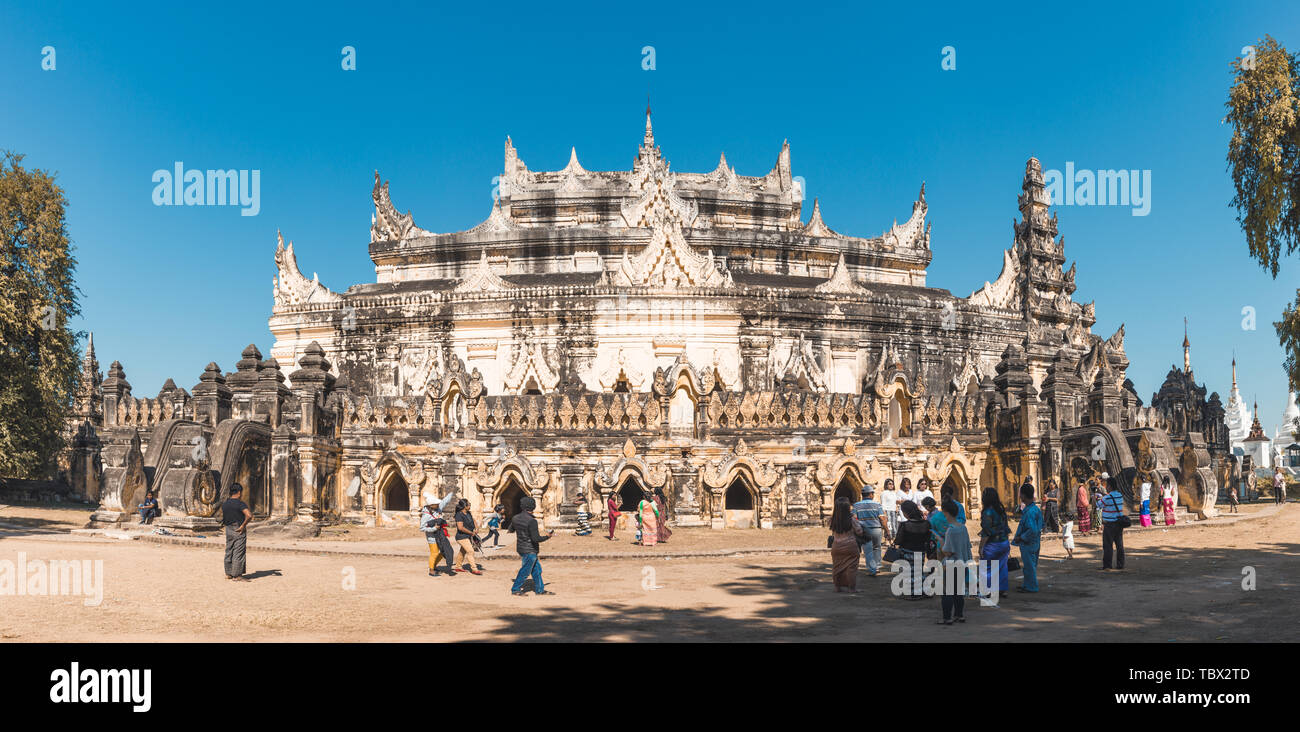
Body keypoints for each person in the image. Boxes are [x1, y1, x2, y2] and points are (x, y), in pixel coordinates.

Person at [510, 495, 554, 596]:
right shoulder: (532, 521)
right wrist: (547, 536)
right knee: (525, 571)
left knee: (537, 570)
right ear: (533, 507)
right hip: (530, 549)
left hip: (521, 547)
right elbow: (536, 539)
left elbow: (511, 530)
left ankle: (540, 590)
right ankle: (515, 589)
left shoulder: (515, 518)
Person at [937, 499, 972, 625]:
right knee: (958, 591)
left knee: (947, 592)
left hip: (951, 564)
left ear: (946, 513)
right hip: (962, 563)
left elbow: (947, 551)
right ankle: (959, 615)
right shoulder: (963, 528)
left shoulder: (950, 530)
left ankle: (947, 617)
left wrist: (939, 539)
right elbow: (967, 547)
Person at [977, 487, 1011, 600]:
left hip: (992, 544)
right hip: (1004, 542)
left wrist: (981, 547)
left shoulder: (987, 512)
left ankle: (986, 590)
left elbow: (986, 532)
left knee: (986, 567)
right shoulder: (1001, 510)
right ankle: (1002, 589)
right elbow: (1006, 527)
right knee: (1002, 566)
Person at [893, 500, 930, 599]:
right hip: (921, 551)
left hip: (907, 551)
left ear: (906, 512)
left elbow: (898, 540)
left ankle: (914, 593)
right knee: (919, 571)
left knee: (909, 573)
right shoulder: (926, 523)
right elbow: (928, 538)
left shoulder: (905, 525)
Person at [851, 485, 889, 575]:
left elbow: (853, 518)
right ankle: (877, 566)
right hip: (876, 529)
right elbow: (882, 519)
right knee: (877, 548)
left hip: (864, 531)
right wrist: (887, 530)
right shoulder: (877, 505)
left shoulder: (856, 506)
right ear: (871, 494)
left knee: (868, 550)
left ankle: (872, 569)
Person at [1010, 483, 1042, 593]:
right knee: (1030, 565)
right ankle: (1027, 584)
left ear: (1023, 495)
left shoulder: (1030, 512)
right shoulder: (1034, 509)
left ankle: (1031, 586)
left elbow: (1032, 529)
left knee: (1029, 566)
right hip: (1034, 541)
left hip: (1028, 543)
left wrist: (1021, 538)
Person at [828, 496, 864, 592]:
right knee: (851, 568)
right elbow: (859, 531)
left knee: (837, 567)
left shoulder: (832, 520)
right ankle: (851, 588)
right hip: (850, 546)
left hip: (836, 546)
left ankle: (837, 587)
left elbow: (831, 528)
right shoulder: (851, 520)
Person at [222, 484, 253, 581]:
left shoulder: (225, 504)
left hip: (228, 528)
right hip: (238, 528)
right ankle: (237, 575)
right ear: (239, 492)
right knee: (238, 552)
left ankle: (229, 573)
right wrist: (243, 525)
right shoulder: (240, 503)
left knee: (229, 550)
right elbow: (249, 515)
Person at [421, 493, 456, 578]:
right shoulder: (425, 515)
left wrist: (451, 493)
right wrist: (434, 528)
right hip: (432, 537)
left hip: (440, 536)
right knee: (434, 553)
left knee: (442, 551)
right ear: (431, 505)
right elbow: (422, 528)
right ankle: (431, 570)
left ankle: (433, 565)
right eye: (436, 504)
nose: (438, 505)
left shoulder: (438, 509)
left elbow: (444, 501)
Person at [1100, 476, 1127, 570]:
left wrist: (1097, 498)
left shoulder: (1107, 497)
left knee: (1108, 545)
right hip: (1119, 523)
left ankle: (1107, 565)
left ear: (1110, 486)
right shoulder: (1120, 495)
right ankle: (1120, 564)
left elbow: (1098, 505)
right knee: (1119, 545)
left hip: (1109, 524)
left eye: (1107, 485)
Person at [453, 499, 482, 575]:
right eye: (468, 504)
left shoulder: (468, 513)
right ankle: (474, 569)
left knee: (462, 551)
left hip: (468, 536)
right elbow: (460, 527)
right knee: (470, 551)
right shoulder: (459, 515)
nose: (470, 505)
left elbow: (474, 521)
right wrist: (471, 532)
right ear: (464, 506)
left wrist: (476, 528)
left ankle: (458, 566)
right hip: (461, 537)